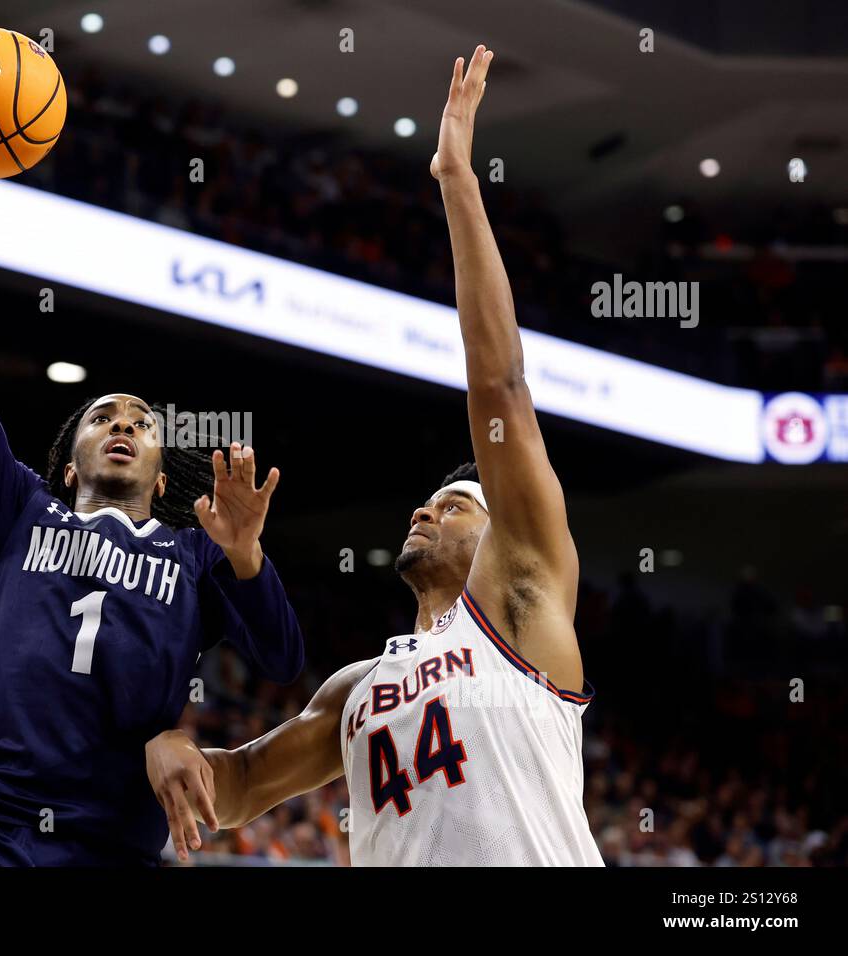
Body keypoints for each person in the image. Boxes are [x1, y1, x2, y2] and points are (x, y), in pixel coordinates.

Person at [145, 46, 602, 867]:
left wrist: (457, 181)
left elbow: (499, 384)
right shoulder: (357, 689)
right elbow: (243, 785)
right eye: (428, 500)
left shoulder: (524, 603)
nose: (425, 509)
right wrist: (176, 752)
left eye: (455, 505)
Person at [0, 56, 305, 867]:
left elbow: (283, 660)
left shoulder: (196, 554)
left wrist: (246, 558)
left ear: (164, 481)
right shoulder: (18, 511)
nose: (124, 425)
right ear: (69, 464)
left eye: (142, 422)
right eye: (104, 418)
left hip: (104, 844)